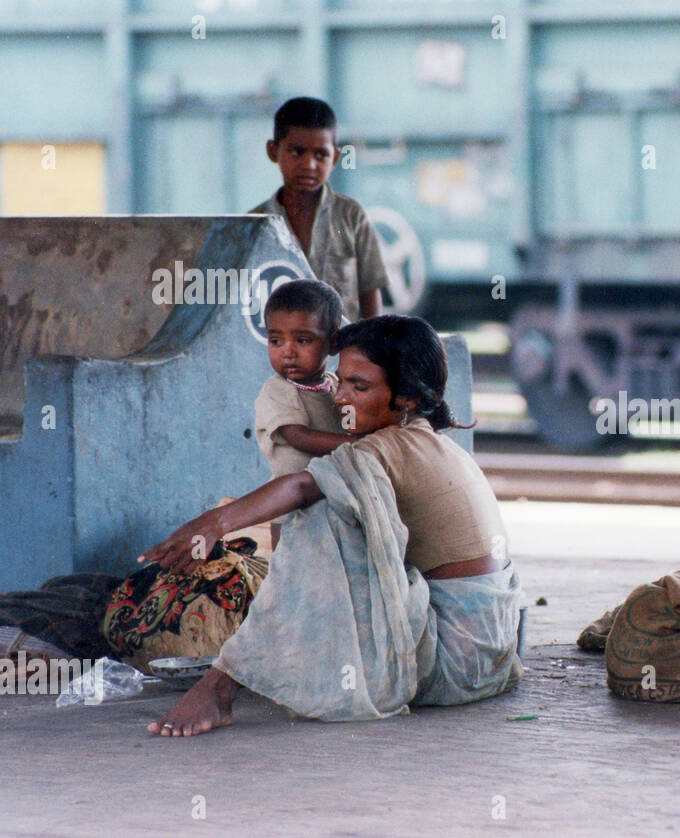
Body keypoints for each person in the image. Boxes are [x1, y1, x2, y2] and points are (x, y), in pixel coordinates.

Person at [142, 316, 521, 736]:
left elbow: (304, 487)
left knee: (321, 518)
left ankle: (220, 687)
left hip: (453, 665)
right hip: (493, 656)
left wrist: (214, 524)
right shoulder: (431, 441)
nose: (340, 397)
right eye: (340, 382)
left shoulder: (389, 446)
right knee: (343, 500)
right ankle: (250, 668)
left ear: (408, 397)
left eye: (359, 387)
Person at [249, 97, 389, 321]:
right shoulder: (254, 223)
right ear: (273, 151)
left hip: (343, 349)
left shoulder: (351, 217)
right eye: (297, 152)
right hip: (279, 352)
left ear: (335, 157)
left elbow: (370, 291)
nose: (309, 165)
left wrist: (374, 350)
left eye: (321, 154)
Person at [254, 279, 353, 548]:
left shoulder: (334, 386)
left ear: (332, 343)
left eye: (303, 340)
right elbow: (299, 437)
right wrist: (359, 446)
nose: (288, 352)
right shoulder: (278, 390)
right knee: (292, 576)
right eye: (276, 340)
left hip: (330, 501)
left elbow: (351, 424)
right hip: (292, 508)